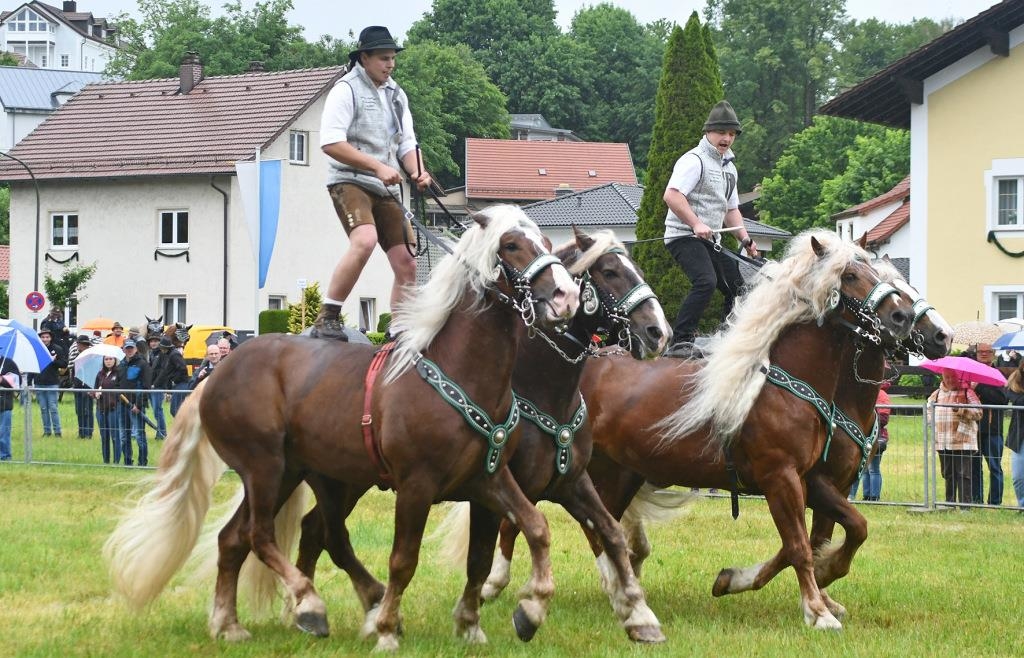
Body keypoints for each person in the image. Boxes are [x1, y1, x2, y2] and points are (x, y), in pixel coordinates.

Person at [313, 25, 433, 340]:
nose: (390, 64)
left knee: (407, 260)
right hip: (350, 181)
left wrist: (418, 171)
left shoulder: (397, 94)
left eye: (392, 58)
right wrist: (377, 166)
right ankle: (328, 315)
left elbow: (407, 143)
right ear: (364, 58)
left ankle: (400, 328)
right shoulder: (346, 89)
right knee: (364, 241)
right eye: (383, 58)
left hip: (386, 187)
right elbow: (330, 143)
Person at [663, 100, 759, 349]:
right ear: (708, 132)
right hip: (683, 237)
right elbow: (672, 195)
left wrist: (745, 240)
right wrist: (695, 223)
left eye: (731, 133)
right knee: (706, 281)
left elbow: (732, 209)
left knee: (738, 287)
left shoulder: (730, 168)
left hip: (709, 240)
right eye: (721, 132)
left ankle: (729, 339)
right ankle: (681, 340)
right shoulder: (694, 160)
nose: (726, 138)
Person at [927, 368, 982, 507]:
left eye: (953, 377)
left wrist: (962, 410)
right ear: (942, 377)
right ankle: (949, 504)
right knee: (948, 474)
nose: (950, 380)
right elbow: (928, 411)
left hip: (963, 441)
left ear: (958, 377)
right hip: (943, 441)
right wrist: (932, 424)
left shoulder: (967, 392)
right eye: (947, 377)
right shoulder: (936, 394)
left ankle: (965, 505)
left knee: (964, 474)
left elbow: (979, 412)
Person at [970, 343, 1006, 505]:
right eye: (980, 351)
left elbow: (1002, 399)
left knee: (994, 467)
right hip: (972, 429)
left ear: (993, 354)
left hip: (992, 429)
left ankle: (995, 502)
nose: (984, 354)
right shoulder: (970, 372)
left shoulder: (997, 374)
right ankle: (976, 501)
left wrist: (979, 387)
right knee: (974, 468)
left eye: (988, 352)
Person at [850, 383, 891, 501]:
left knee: (873, 469)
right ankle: (867, 495)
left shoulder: (881, 394)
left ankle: (874, 497)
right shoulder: (869, 392)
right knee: (865, 468)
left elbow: (884, 418)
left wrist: (867, 421)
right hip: (866, 436)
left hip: (877, 437)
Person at [117, 339, 152, 466]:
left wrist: (139, 404)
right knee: (124, 437)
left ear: (136, 349)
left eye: (131, 348)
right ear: (123, 349)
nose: (129, 350)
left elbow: (146, 386)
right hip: (122, 405)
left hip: (136, 406)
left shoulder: (143, 364)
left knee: (139, 436)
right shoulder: (120, 365)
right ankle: (127, 462)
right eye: (127, 348)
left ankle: (142, 462)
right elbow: (117, 385)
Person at [32, 328, 66, 437]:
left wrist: (53, 361)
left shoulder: (57, 349)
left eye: (47, 337)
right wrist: (29, 382)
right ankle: (47, 431)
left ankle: (57, 431)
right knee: (43, 408)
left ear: (50, 338)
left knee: (53, 408)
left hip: (52, 382)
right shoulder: (37, 349)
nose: (45, 339)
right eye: (43, 337)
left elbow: (64, 364)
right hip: (39, 382)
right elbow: (32, 366)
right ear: (40, 338)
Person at [93, 355, 122, 464]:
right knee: (104, 436)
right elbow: (95, 389)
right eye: (106, 359)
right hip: (100, 408)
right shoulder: (100, 374)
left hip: (113, 408)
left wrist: (108, 391)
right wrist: (95, 393)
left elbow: (121, 389)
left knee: (115, 436)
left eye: (111, 359)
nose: (108, 361)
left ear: (115, 360)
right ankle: (106, 461)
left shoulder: (118, 373)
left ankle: (116, 461)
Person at [152, 335, 189, 417]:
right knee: (175, 410)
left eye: (161, 348)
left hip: (181, 384)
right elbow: (165, 371)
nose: (160, 350)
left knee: (175, 410)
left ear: (165, 347)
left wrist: (174, 380)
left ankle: (183, 427)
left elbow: (183, 369)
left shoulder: (174, 355)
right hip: (178, 385)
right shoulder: (169, 354)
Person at [68, 334, 95, 439]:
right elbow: (73, 371)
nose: (80, 346)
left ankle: (89, 432)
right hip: (78, 386)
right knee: (79, 410)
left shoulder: (92, 357)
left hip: (88, 386)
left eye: (82, 344)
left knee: (88, 410)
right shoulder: (76, 356)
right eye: (79, 344)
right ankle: (81, 432)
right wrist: (73, 383)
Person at [1005, 359, 1024, 509]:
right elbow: (1018, 401)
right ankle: (1022, 505)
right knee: (1018, 476)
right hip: (1020, 436)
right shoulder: (1014, 382)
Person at [145, 333, 166, 439]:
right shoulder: (151, 353)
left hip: (157, 386)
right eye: (151, 341)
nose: (153, 343)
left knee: (158, 410)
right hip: (151, 385)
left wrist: (155, 384)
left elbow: (162, 371)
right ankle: (160, 432)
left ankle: (162, 433)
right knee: (155, 410)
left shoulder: (162, 354)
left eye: (156, 341)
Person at [0, 359, 21, 461]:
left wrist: (2, 379)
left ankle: (5, 456)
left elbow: (17, 381)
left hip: (5, 404)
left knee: (3, 433)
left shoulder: (8, 363)